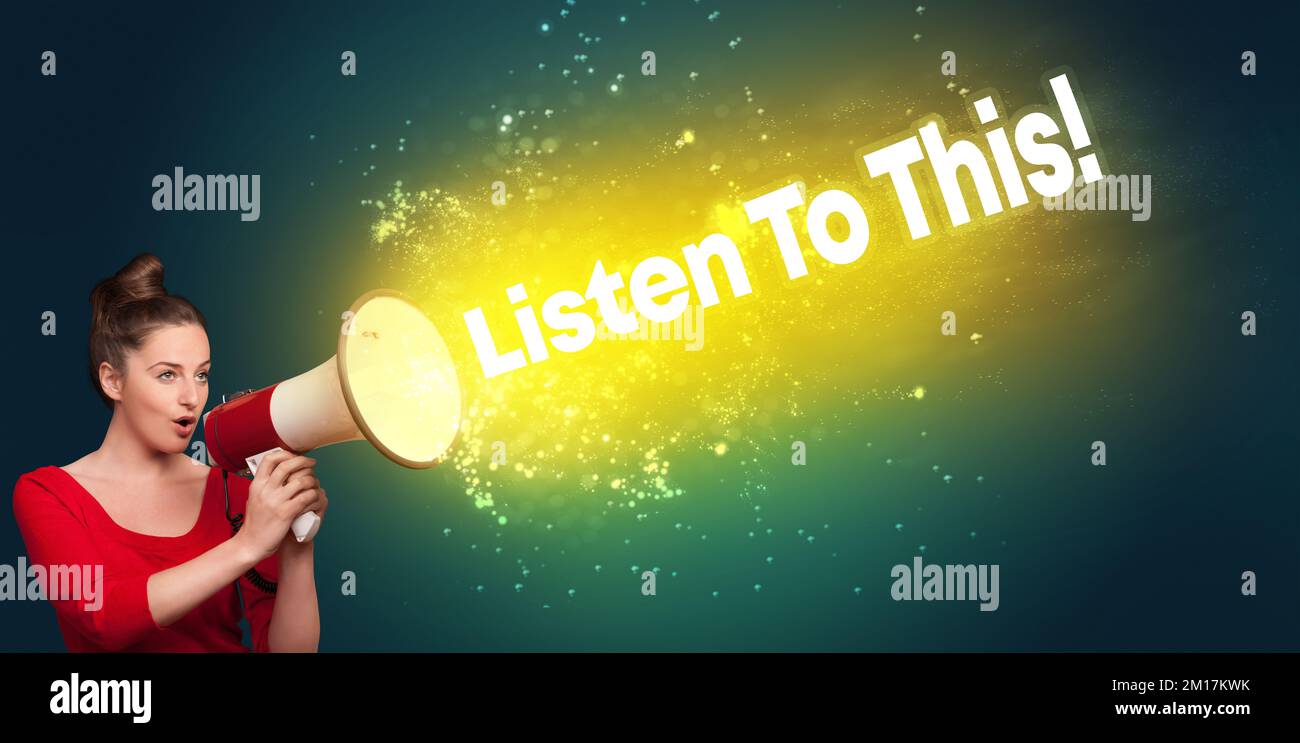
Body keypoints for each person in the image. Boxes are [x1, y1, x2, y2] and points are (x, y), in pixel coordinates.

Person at [12, 252, 327, 652]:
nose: (191, 397)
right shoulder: (48, 493)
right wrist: (247, 545)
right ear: (112, 381)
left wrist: (297, 546)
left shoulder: (236, 494)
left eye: (201, 375)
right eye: (167, 375)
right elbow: (102, 617)